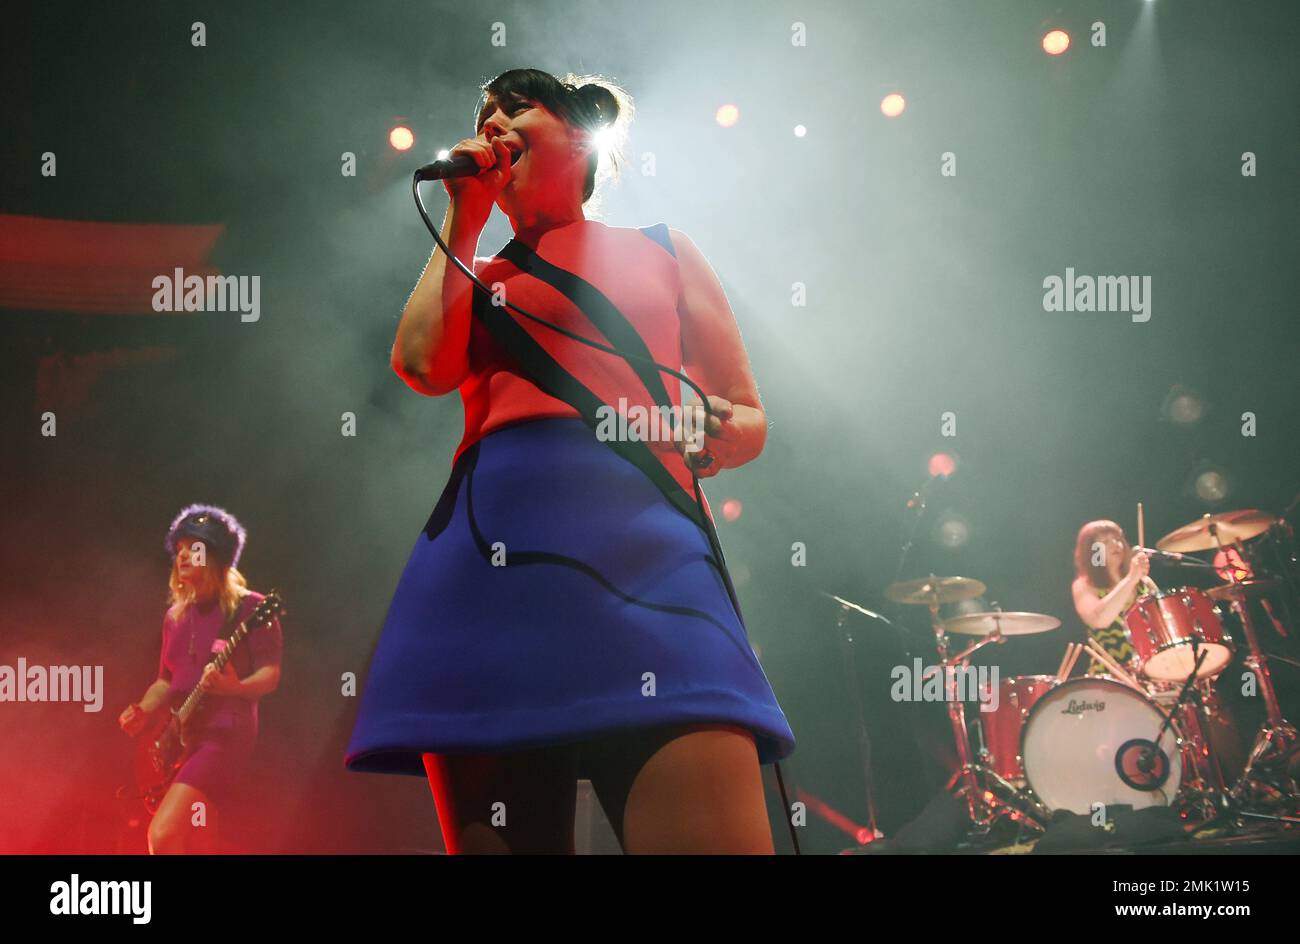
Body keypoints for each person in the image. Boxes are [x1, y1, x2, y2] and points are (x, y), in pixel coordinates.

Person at [345, 68, 795, 854]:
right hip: (489, 569)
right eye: (481, 113)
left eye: (515, 108)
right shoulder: (477, 275)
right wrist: (467, 213)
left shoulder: (664, 250)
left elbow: (749, 414)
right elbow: (421, 364)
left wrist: (723, 426)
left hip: (649, 552)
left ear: (580, 135)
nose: (491, 123)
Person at [118, 504, 283, 853]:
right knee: (197, 840)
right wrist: (143, 710)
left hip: (224, 737)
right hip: (186, 741)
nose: (181, 557)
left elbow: (271, 674)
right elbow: (164, 680)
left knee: (162, 836)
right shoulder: (175, 617)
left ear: (217, 558)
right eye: (178, 550)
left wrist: (235, 687)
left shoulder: (250, 607)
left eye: (192, 549)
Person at [1071, 519, 1157, 675]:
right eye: (1104, 541)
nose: (1115, 544)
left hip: (1154, 672)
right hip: (1109, 677)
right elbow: (1100, 620)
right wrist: (1131, 578)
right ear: (1092, 551)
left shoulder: (1144, 583)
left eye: (1117, 539)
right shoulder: (1084, 586)